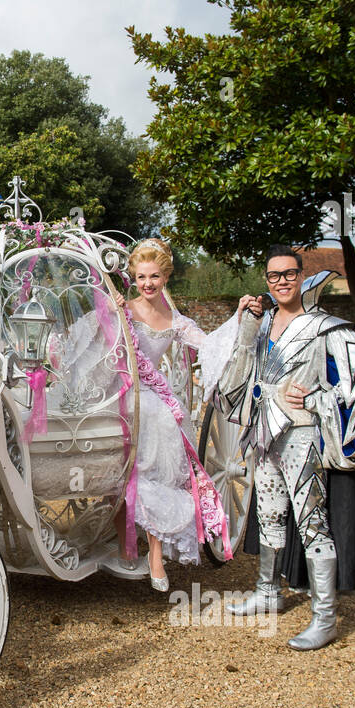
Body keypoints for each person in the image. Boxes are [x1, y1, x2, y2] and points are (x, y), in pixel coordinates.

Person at [215, 245, 355, 650]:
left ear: (300, 274)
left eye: (289, 274)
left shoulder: (325, 328)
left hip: (303, 436)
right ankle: (268, 592)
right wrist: (245, 328)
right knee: (269, 513)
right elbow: (238, 375)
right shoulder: (263, 323)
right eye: (273, 276)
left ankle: (324, 617)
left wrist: (315, 400)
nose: (281, 282)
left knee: (312, 521)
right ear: (267, 281)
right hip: (264, 433)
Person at [112, 240, 228, 590]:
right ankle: (123, 546)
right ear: (133, 277)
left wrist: (238, 324)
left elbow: (208, 344)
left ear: (166, 277)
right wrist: (110, 312)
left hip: (153, 400)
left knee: (159, 435)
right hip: (122, 393)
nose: (148, 283)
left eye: (156, 276)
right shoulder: (124, 308)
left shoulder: (176, 320)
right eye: (142, 276)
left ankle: (156, 553)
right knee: (123, 472)